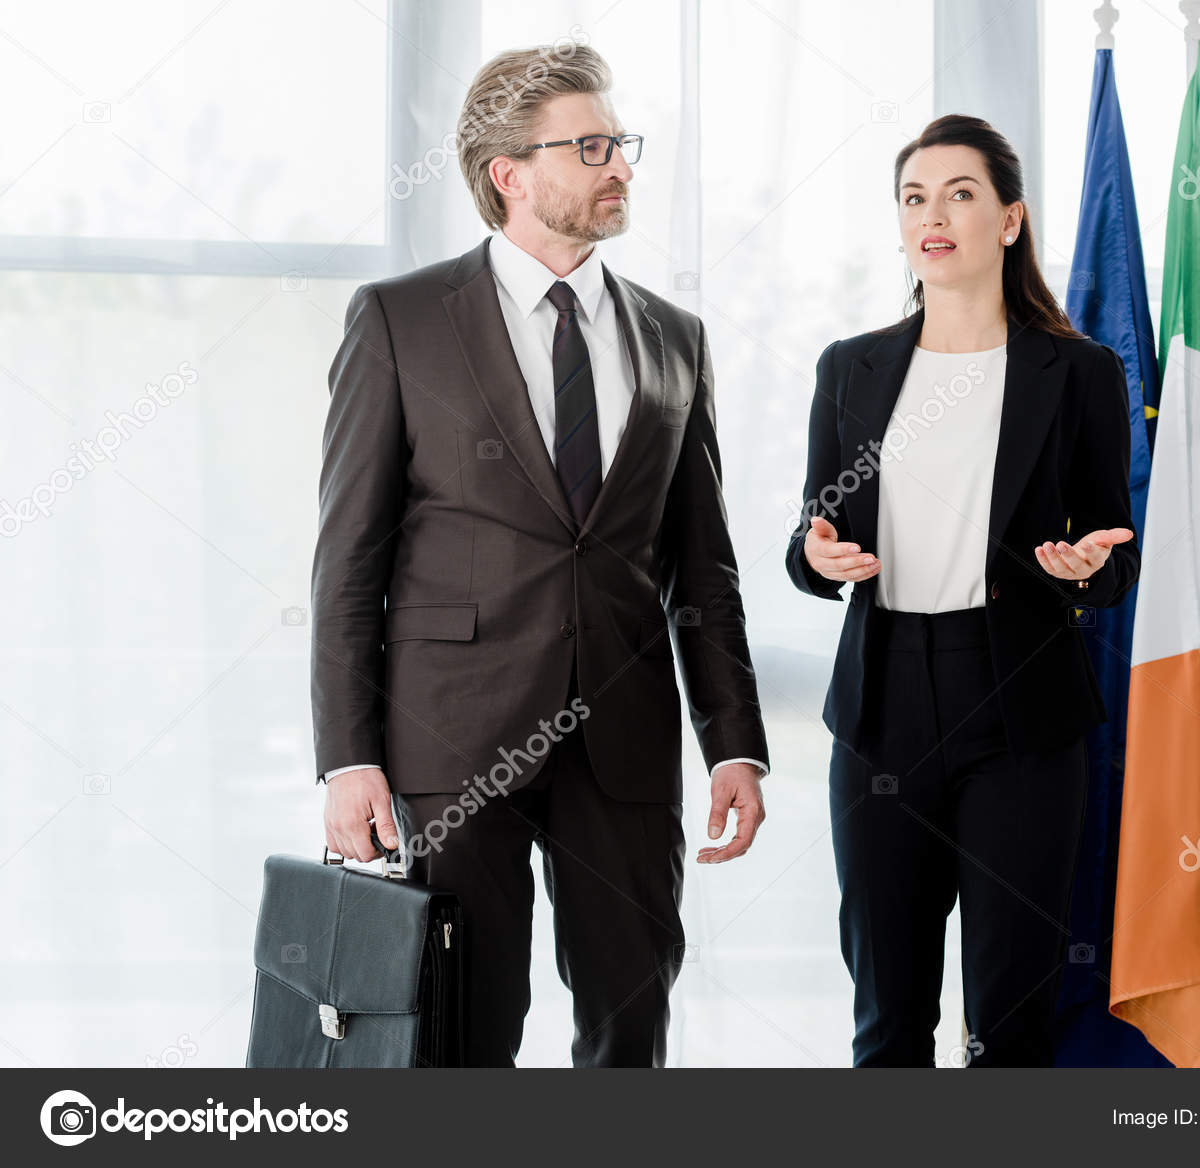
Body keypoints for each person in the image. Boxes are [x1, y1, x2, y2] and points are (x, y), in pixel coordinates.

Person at [312, 43, 770, 1068]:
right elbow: (347, 559)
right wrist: (349, 760)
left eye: (622, 144)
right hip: (452, 736)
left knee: (631, 1020)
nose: (621, 167)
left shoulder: (674, 340)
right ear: (509, 173)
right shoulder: (400, 320)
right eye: (593, 146)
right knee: (462, 1025)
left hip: (625, 735)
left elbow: (705, 564)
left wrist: (734, 739)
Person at [785, 113, 1139, 1067]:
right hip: (882, 704)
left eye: (960, 194)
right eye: (913, 197)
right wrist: (815, 559)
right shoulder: (849, 368)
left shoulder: (1079, 373)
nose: (931, 215)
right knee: (889, 1019)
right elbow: (812, 538)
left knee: (1008, 1024)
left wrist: (1088, 568)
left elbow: (1116, 554)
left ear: (1010, 220)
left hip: (1020, 706)